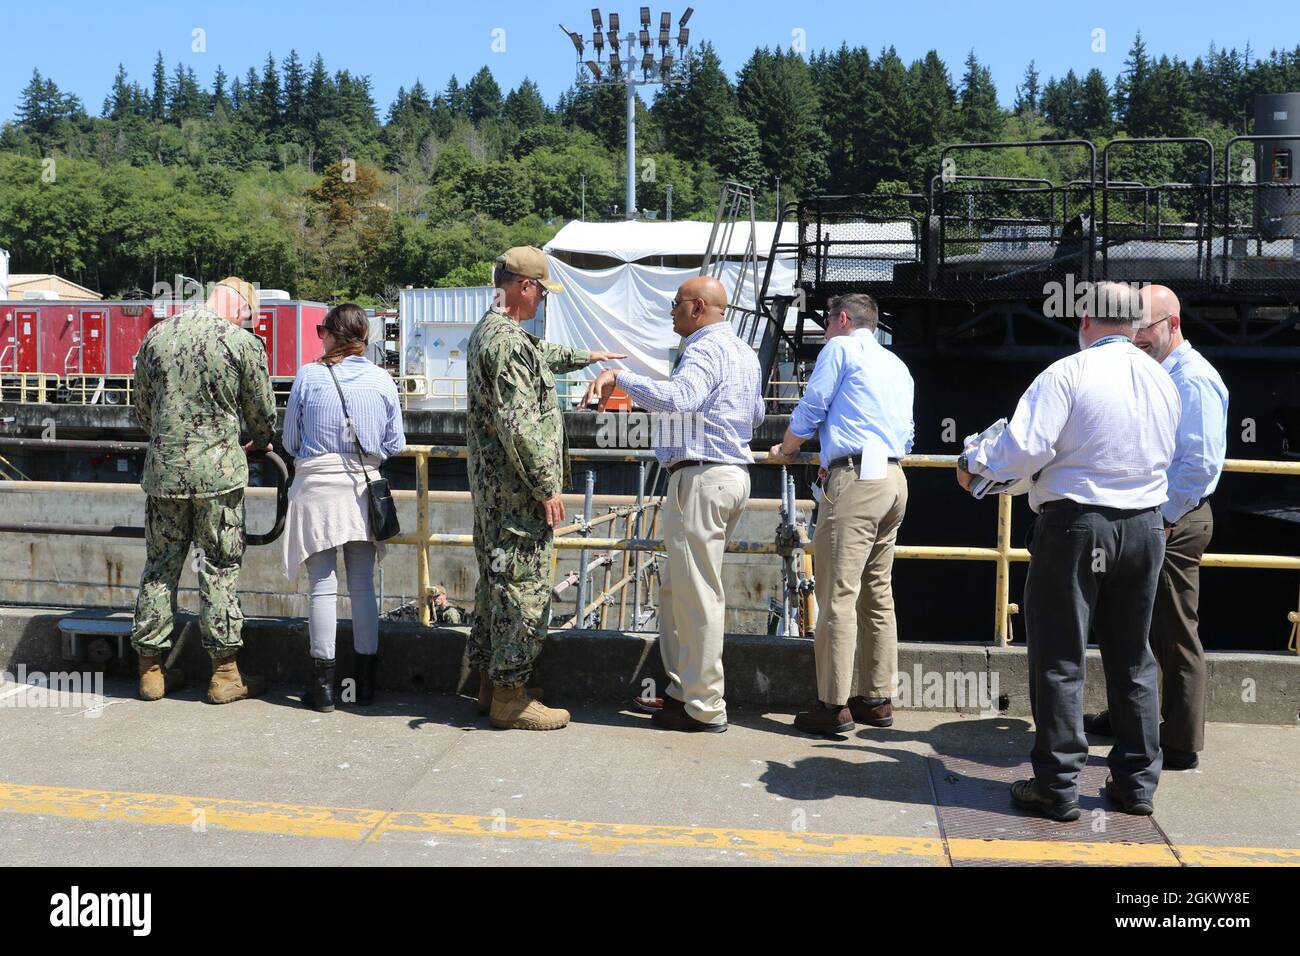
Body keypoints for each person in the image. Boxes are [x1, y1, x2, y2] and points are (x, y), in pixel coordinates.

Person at [956, 281, 1180, 820]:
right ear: (1136, 324)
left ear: (1085, 321)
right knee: (1134, 658)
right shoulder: (1163, 379)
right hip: (1146, 527)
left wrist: (974, 468)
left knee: (1060, 658)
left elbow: (1025, 447)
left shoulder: (1067, 373)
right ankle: (1136, 784)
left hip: (1076, 526)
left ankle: (1056, 785)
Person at [590, 276, 766, 733]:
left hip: (701, 477)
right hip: (728, 476)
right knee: (680, 591)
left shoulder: (703, 349)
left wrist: (619, 376)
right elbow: (758, 414)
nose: (671, 311)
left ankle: (704, 706)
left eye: (676, 304)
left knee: (697, 595)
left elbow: (680, 398)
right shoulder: (744, 352)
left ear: (699, 307)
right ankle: (680, 692)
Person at [467, 246, 625, 730]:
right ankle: (510, 697)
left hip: (494, 491)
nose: (542, 304)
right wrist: (546, 485)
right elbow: (520, 426)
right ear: (525, 287)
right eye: (541, 293)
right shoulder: (509, 342)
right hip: (516, 494)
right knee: (523, 590)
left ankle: (491, 684)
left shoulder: (491, 332)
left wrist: (585, 356)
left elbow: (538, 356)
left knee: (497, 586)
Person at [1084, 285, 1228, 771]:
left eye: (1147, 326)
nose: (1138, 335)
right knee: (1140, 627)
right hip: (1161, 516)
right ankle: (1137, 718)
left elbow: (1200, 466)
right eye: (1134, 325)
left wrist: (1162, 521)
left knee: (1174, 631)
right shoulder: (1165, 373)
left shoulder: (1194, 380)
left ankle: (1182, 742)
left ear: (1174, 323)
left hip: (1176, 519)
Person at [768, 294, 915, 736]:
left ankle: (832, 705)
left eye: (828, 320)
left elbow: (813, 407)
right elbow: (907, 433)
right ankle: (876, 697)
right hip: (893, 477)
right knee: (878, 591)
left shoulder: (840, 349)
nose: (826, 329)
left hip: (854, 479)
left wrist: (786, 448)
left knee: (838, 593)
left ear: (844, 319)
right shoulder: (897, 365)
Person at [129, 277, 275, 704]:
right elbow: (262, 415)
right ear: (240, 307)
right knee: (218, 565)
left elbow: (141, 409)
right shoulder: (240, 343)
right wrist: (259, 441)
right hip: (219, 477)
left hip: (165, 474)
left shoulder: (157, 335)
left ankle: (151, 671)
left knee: (160, 565)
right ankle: (224, 674)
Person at [281, 303, 405, 713]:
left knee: (321, 586)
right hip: (363, 491)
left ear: (333, 334)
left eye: (322, 330)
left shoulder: (309, 376)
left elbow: (291, 441)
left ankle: (324, 691)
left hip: (317, 489)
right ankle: (364, 687)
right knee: (363, 587)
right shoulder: (383, 380)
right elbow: (394, 444)